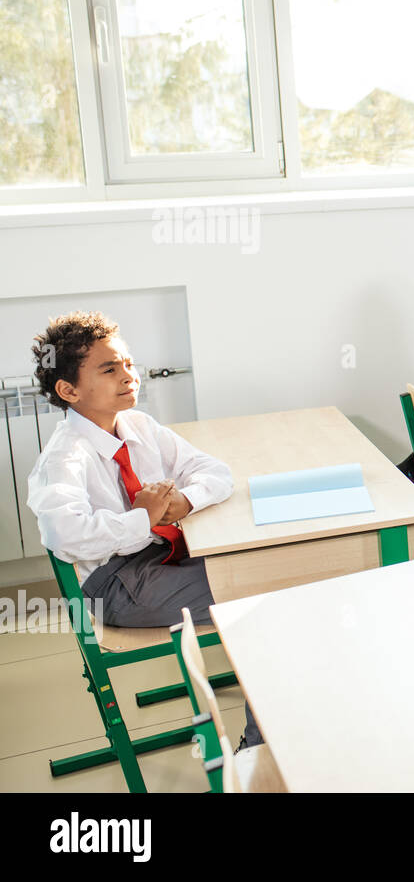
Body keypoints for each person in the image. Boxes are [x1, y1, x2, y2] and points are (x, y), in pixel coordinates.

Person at [27, 311, 261, 745]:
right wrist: (143, 519)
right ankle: (259, 748)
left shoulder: (138, 425)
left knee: (269, 559)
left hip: (155, 558)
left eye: (129, 363)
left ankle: (275, 710)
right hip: (115, 586)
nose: (128, 375)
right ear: (68, 390)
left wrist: (185, 500)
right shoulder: (65, 457)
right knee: (264, 590)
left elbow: (214, 470)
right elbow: (62, 533)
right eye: (109, 368)